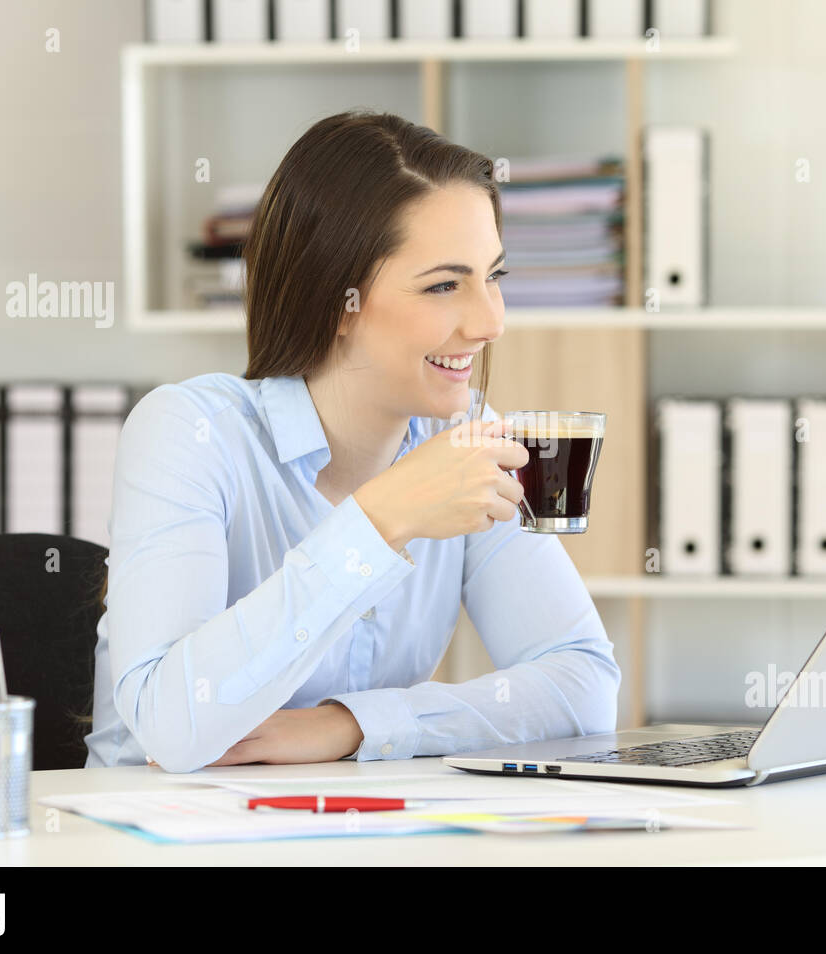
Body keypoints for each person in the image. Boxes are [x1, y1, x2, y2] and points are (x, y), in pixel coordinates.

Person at [84, 110, 620, 772]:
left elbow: (584, 687)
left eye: (494, 277)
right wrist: (382, 519)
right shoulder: (188, 433)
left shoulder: (463, 438)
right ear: (339, 301)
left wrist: (353, 726)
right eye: (445, 285)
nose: (490, 321)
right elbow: (172, 726)